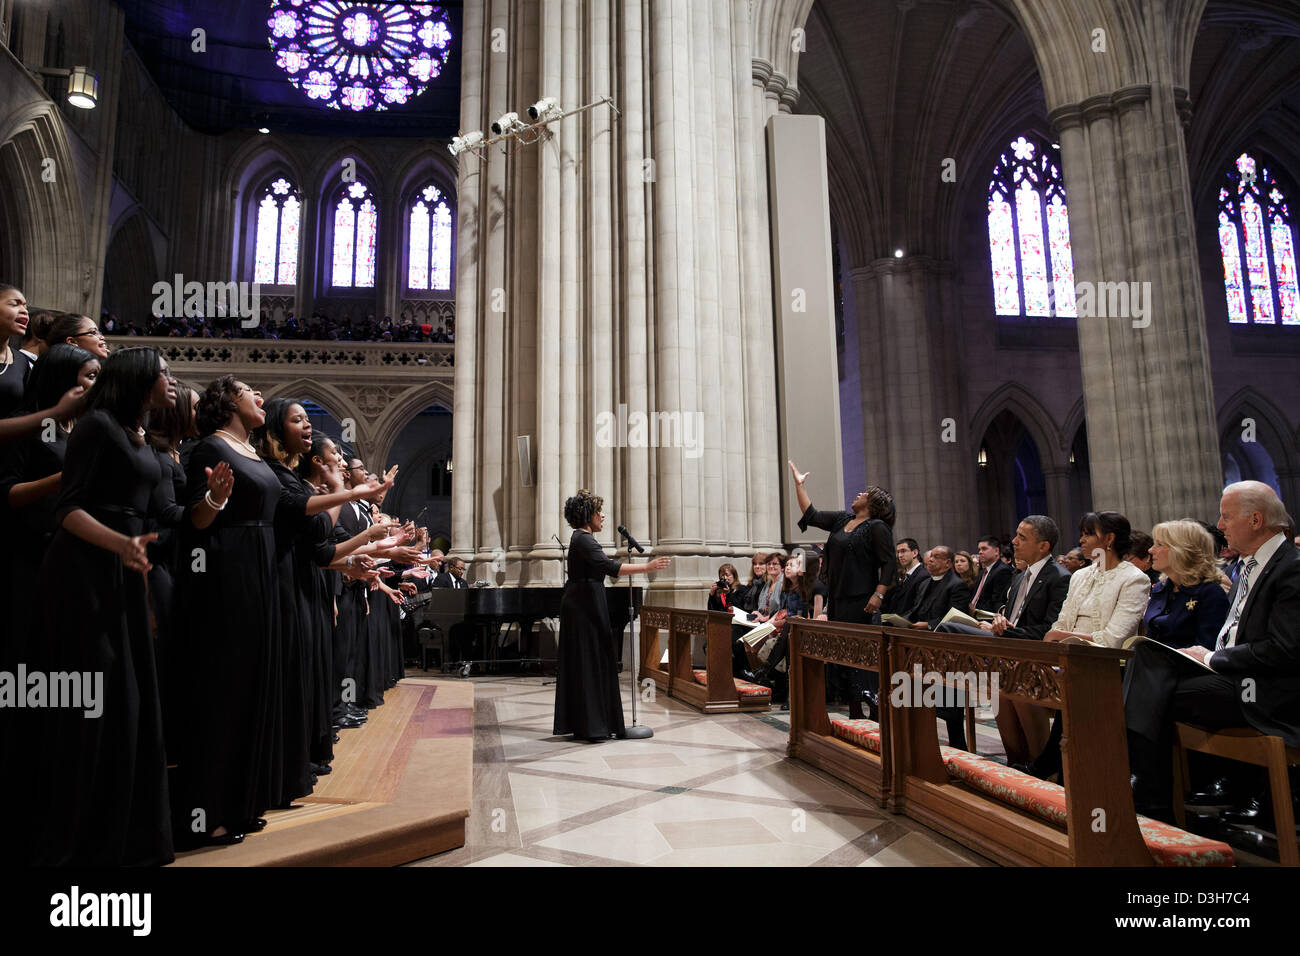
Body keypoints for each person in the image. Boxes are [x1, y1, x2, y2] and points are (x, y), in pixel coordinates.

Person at [23, 347, 178, 865]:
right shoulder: (99, 426)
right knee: (95, 701)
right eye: (164, 374)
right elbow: (67, 508)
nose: (171, 382)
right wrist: (121, 546)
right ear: (139, 380)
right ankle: (74, 840)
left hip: (126, 570)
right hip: (85, 574)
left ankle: (125, 833)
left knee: (130, 702)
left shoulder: (138, 433)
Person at [1125, 482, 1300, 824]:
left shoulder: (1290, 568)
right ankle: (1149, 791)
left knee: (1151, 691)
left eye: (1226, 516)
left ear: (1255, 520)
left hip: (1264, 689)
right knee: (1145, 659)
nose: (1219, 525)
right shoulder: (1250, 566)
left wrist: (1211, 658)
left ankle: (1150, 793)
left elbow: (1285, 649)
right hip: (1233, 675)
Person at [935, 516, 1071, 761]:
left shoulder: (1058, 577)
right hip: (1009, 651)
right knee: (996, 682)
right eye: (1016, 535)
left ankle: (940, 696)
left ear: (1044, 546)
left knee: (951, 628)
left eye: (1023, 537)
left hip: (1032, 655)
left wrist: (1005, 631)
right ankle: (1015, 762)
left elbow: (1049, 631)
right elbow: (1011, 617)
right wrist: (995, 624)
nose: (1015, 542)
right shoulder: (1020, 577)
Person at [553, 490, 669, 742]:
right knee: (591, 661)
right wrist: (647, 567)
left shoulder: (582, 539)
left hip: (585, 602)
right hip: (585, 607)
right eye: (598, 512)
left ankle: (593, 723)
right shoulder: (584, 540)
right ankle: (593, 725)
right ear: (586, 515)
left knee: (591, 662)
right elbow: (609, 567)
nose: (603, 516)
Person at [789, 459, 895, 719]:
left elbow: (889, 563)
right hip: (838, 598)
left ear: (873, 504)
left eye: (865, 493)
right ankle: (855, 711)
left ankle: (874, 710)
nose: (859, 493)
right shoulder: (843, 520)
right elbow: (811, 515)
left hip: (862, 599)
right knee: (843, 655)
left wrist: (878, 595)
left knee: (862, 655)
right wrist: (799, 485)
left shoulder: (876, 527)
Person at [1143, 519, 1231, 651]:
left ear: (1182, 551)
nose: (1150, 550)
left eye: (1159, 544)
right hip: (1151, 664)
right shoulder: (1161, 589)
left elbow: (1206, 647)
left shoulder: (1210, 593)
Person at [903, 546, 972, 629]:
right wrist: (901, 620)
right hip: (918, 629)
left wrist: (929, 625)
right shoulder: (924, 583)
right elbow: (916, 609)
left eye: (936, 557)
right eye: (931, 556)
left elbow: (955, 617)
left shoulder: (957, 585)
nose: (930, 560)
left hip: (940, 634)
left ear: (948, 563)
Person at [970, 536, 1013, 612]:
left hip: (986, 617)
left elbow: (997, 601)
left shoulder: (1003, 571)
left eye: (984, 549)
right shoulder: (982, 572)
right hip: (973, 614)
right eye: (979, 549)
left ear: (996, 551)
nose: (980, 552)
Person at [884, 538, 925, 614]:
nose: (899, 555)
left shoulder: (923, 575)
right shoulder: (904, 575)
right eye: (898, 552)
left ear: (915, 553)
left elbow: (918, 607)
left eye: (903, 551)